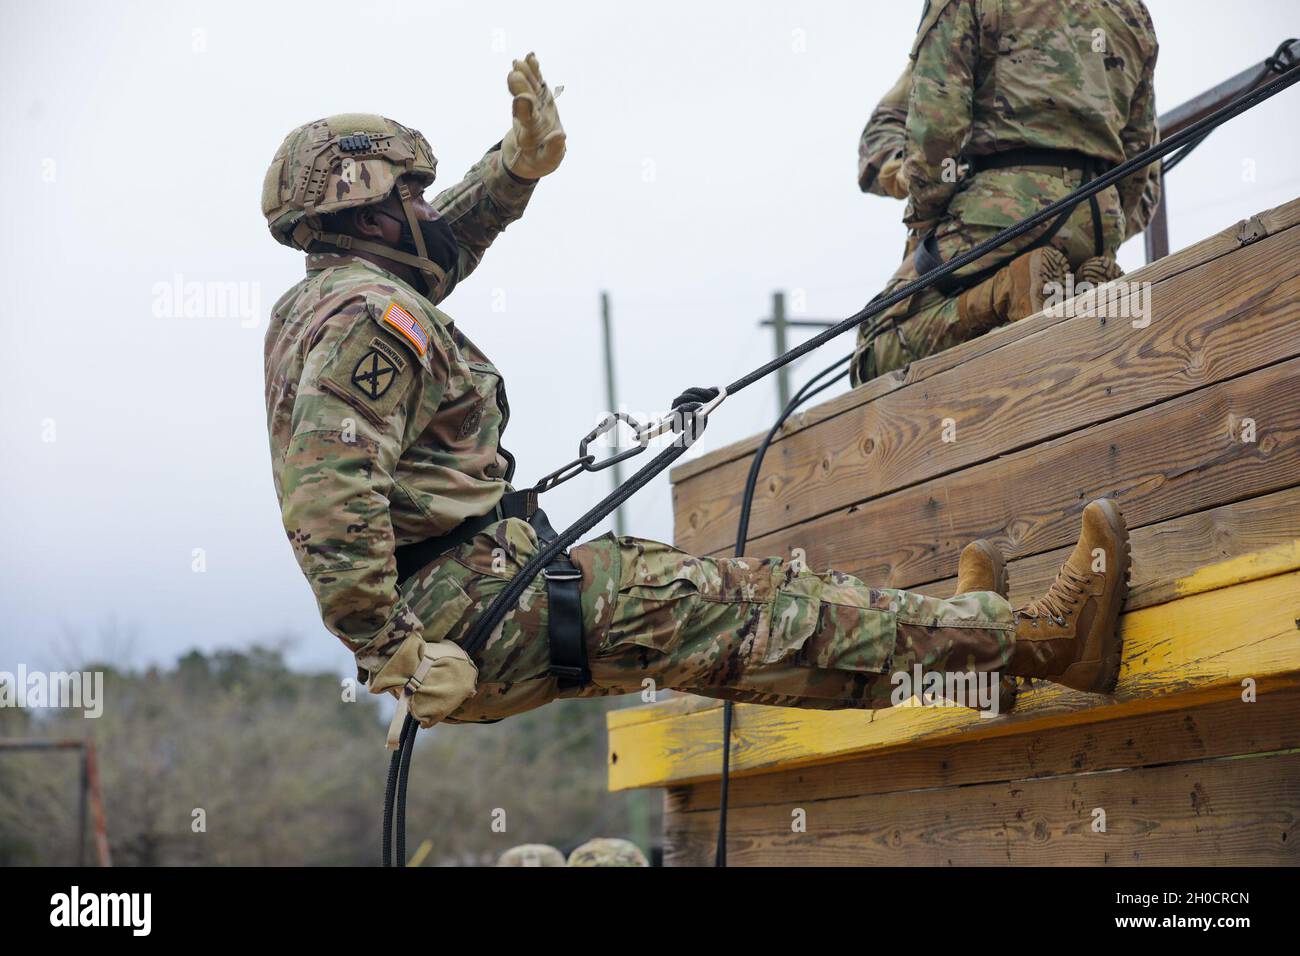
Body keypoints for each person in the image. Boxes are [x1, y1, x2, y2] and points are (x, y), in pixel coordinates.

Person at [260, 53, 1131, 739]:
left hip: (471, 601)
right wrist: (396, 654)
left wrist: (514, 170)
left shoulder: (338, 294)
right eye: (407, 192)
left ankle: (979, 653)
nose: (423, 209)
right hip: (466, 607)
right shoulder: (368, 318)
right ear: (361, 209)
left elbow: (441, 245)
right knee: (756, 609)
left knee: (745, 646)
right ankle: (1049, 643)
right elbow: (330, 503)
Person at [850, 0, 1161, 385]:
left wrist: (927, 228)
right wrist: (1102, 234)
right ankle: (1085, 282)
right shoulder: (1131, 10)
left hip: (1002, 204)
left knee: (874, 348)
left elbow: (936, 129)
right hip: (1100, 213)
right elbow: (1141, 156)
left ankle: (1005, 291)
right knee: (1020, 326)